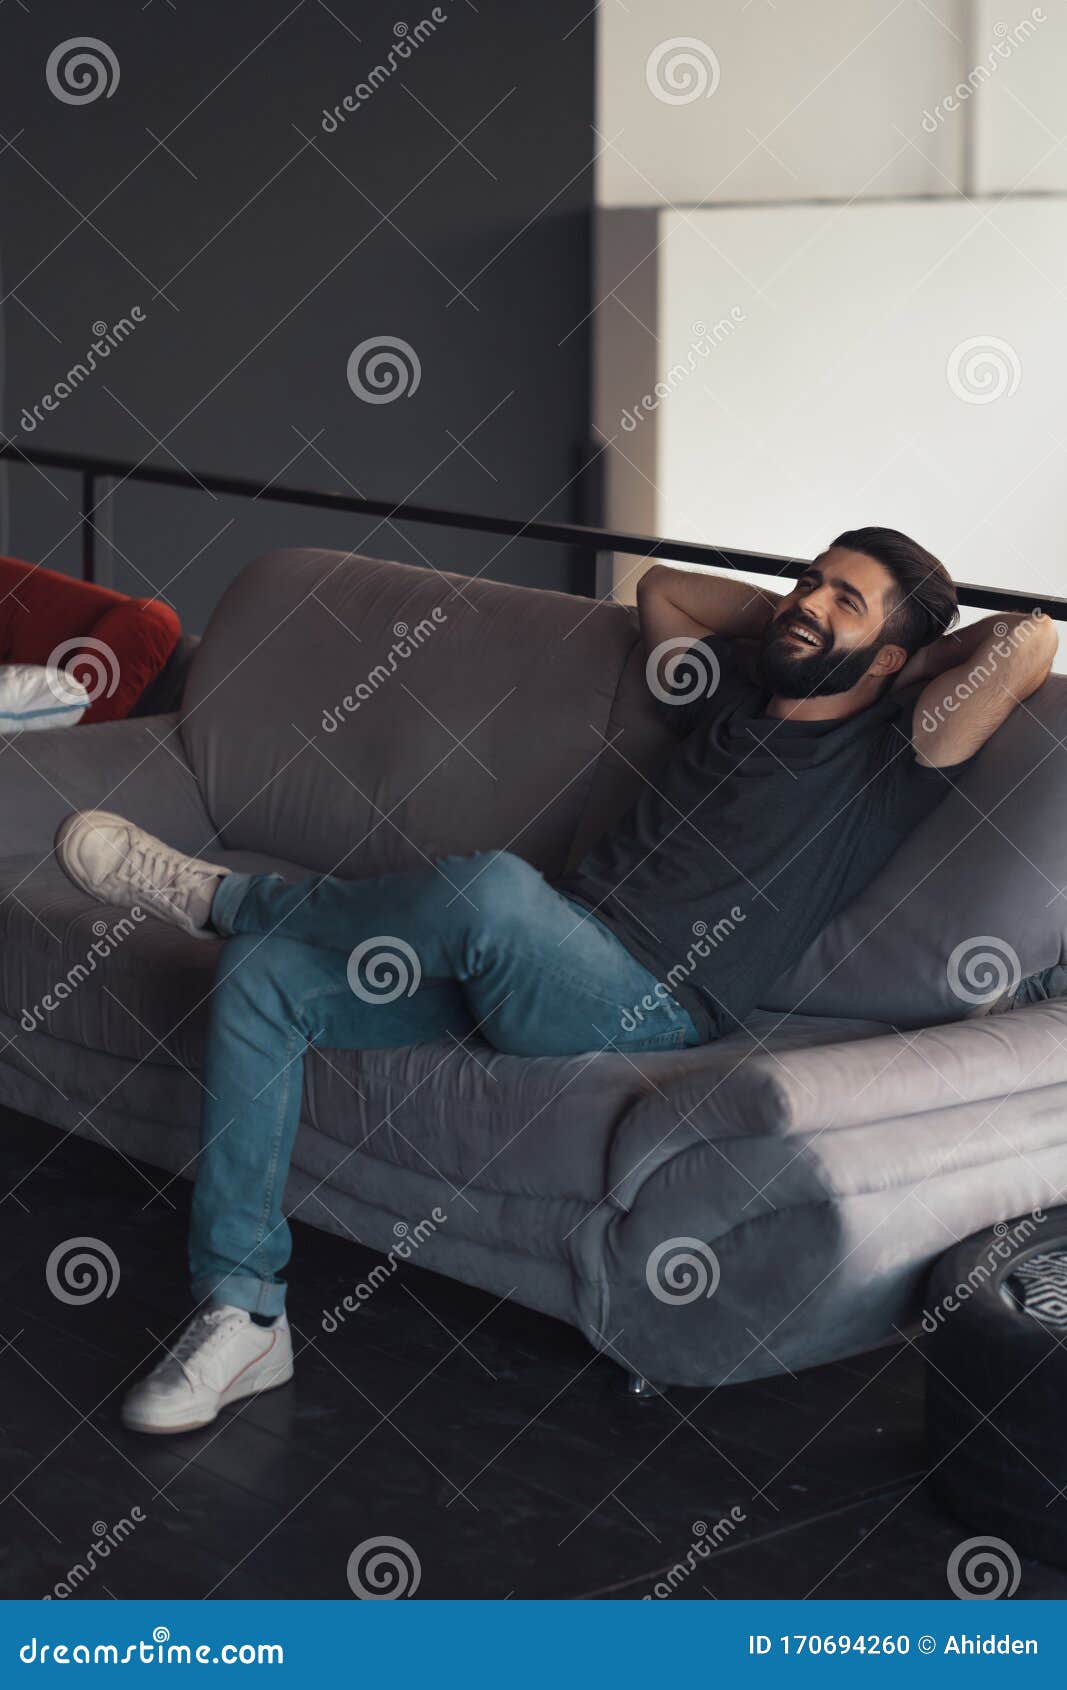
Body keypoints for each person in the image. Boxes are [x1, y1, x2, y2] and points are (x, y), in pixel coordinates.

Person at [53, 527, 1057, 1433]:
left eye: (844, 599)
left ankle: (226, 897)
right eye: (809, 580)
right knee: (264, 977)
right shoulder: (730, 689)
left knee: (488, 891)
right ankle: (243, 1315)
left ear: (890, 657)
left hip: (648, 999)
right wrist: (791, 617)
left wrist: (910, 660)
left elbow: (1027, 641)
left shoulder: (888, 752)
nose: (808, 601)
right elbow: (660, 589)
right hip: (543, 962)